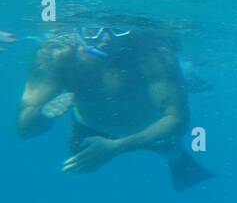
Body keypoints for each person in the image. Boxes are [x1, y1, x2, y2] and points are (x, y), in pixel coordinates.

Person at [17, 25, 213, 191]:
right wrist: (43, 113)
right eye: (92, 31)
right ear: (77, 30)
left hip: (148, 124)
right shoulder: (58, 53)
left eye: (118, 30)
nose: (106, 39)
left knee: (172, 150)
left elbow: (177, 119)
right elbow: (24, 129)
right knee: (80, 162)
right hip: (89, 121)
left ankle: (184, 73)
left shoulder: (153, 51)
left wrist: (116, 147)